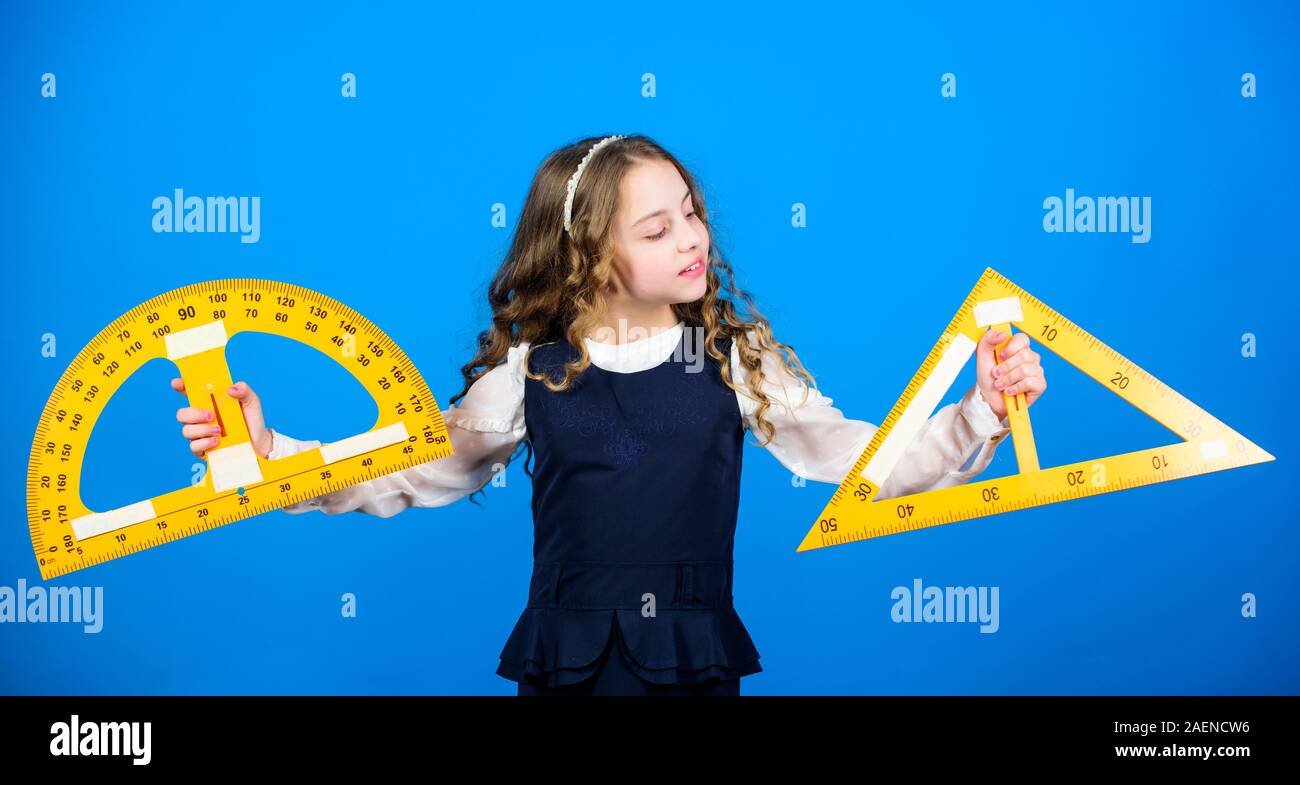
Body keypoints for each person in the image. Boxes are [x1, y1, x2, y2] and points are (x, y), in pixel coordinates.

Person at [171, 134, 1048, 696]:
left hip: (694, 667)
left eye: (692, 213)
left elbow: (872, 462)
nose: (694, 237)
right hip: (564, 671)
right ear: (588, 253)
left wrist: (978, 410)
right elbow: (406, 468)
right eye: (656, 228)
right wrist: (272, 449)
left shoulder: (736, 362)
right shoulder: (532, 376)